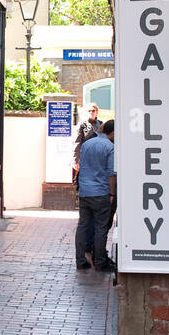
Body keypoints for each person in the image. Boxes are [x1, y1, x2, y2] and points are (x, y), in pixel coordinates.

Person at [75, 118, 116, 273]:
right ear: (112, 133)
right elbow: (112, 174)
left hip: (85, 191)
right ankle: (99, 262)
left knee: (82, 226)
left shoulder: (86, 144)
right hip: (100, 192)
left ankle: (80, 261)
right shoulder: (110, 147)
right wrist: (112, 193)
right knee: (100, 227)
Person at [73, 103, 101, 262]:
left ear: (97, 112)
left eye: (93, 110)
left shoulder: (100, 124)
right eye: (89, 110)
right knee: (85, 218)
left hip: (97, 166)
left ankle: (91, 245)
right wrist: (76, 162)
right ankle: (86, 249)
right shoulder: (82, 126)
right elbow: (77, 144)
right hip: (86, 166)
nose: (91, 113)